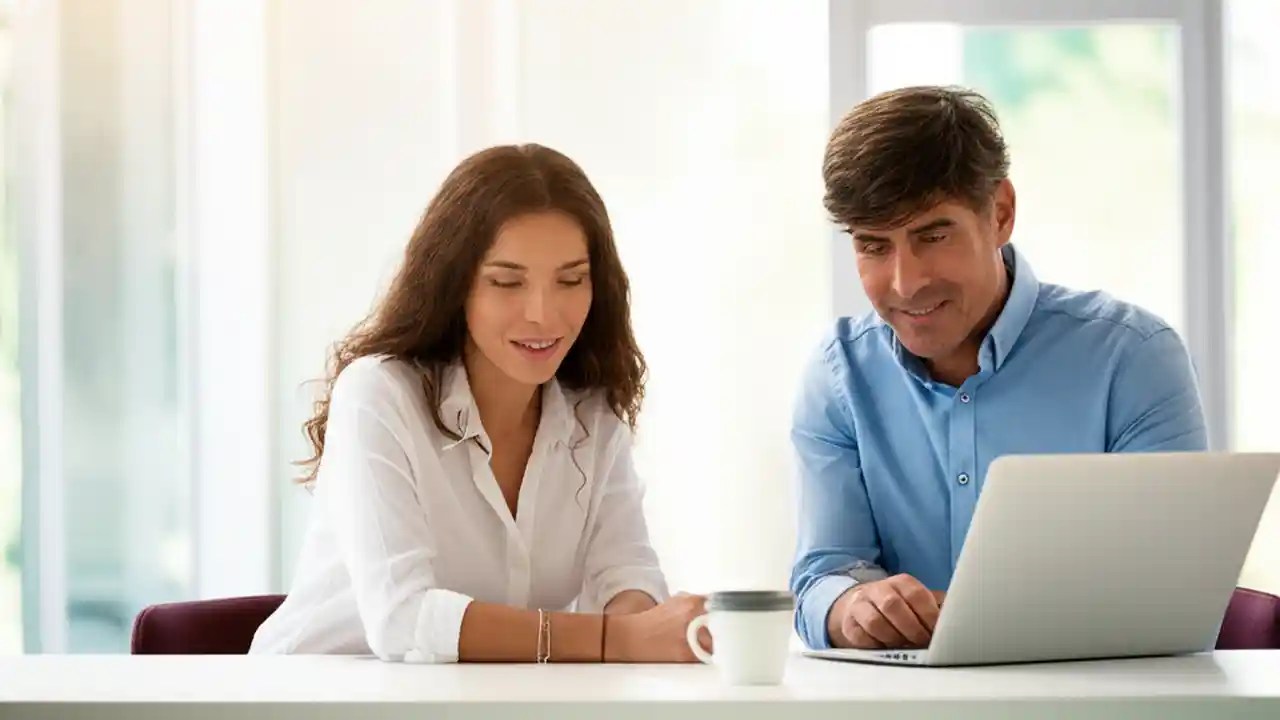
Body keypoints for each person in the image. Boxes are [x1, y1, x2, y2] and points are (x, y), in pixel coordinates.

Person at [790, 86, 1208, 652]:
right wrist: (851, 607)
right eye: (873, 246)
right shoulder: (839, 376)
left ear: (1000, 213)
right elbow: (823, 575)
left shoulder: (1132, 359)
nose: (905, 284)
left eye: (932, 237)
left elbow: (1172, 590)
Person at [251, 144, 704, 663]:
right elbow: (403, 620)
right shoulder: (378, 394)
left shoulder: (591, 415)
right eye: (507, 282)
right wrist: (613, 640)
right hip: (318, 700)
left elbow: (630, 577)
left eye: (571, 280)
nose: (543, 313)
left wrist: (641, 626)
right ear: (455, 284)